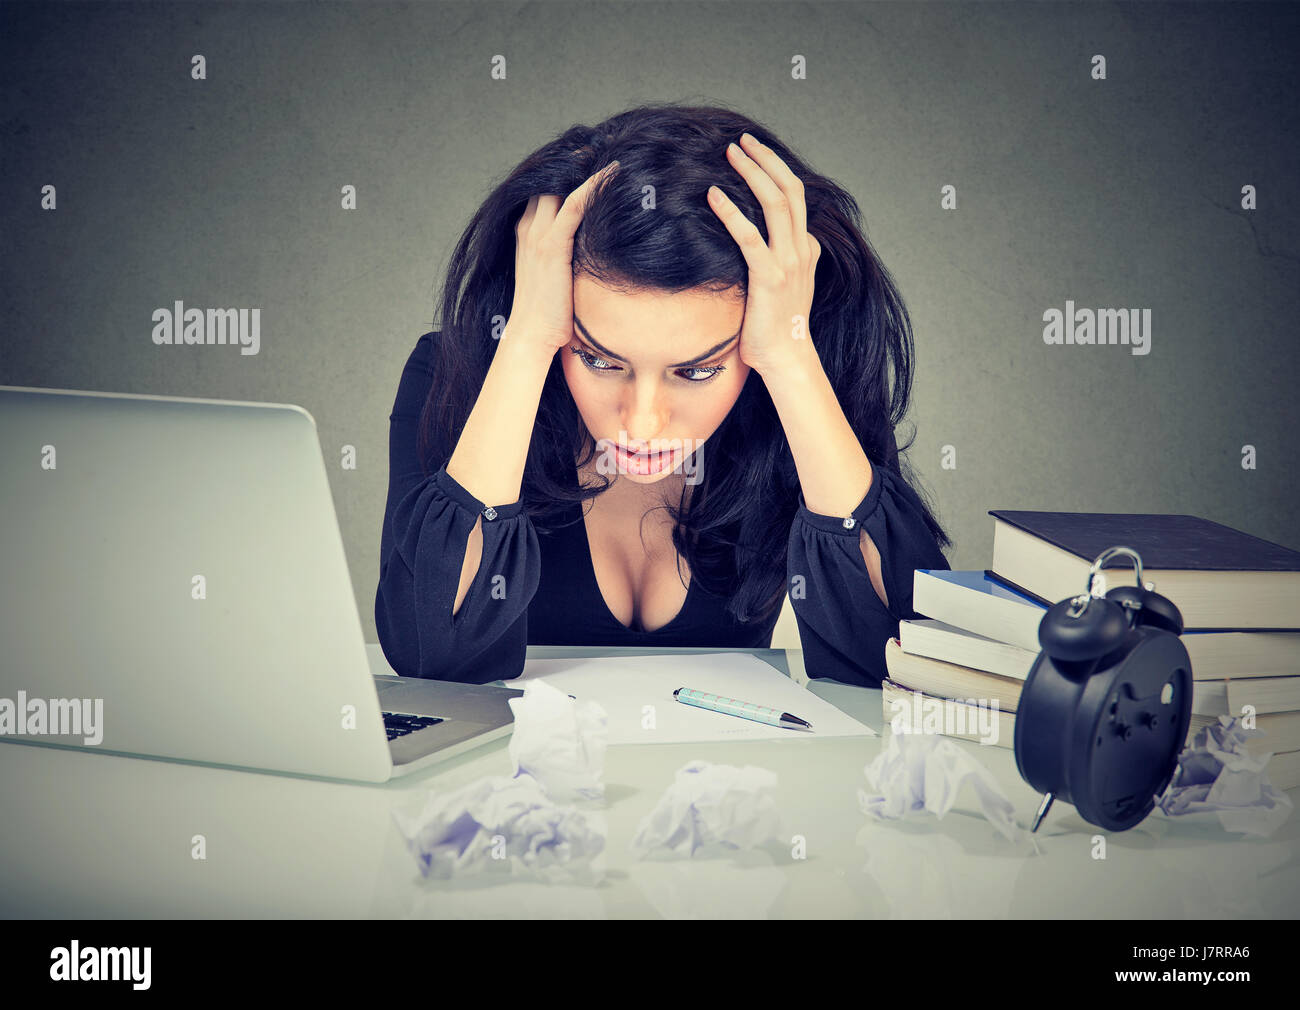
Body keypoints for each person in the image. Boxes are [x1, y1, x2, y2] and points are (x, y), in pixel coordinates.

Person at [376, 103, 951, 687]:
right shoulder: (455, 375)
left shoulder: (793, 382)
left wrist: (792, 359)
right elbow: (432, 658)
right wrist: (525, 341)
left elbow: (904, 663)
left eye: (697, 371)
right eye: (598, 359)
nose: (642, 423)